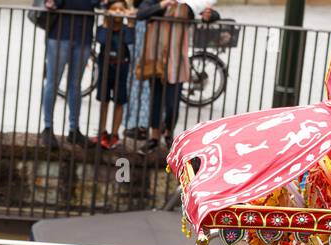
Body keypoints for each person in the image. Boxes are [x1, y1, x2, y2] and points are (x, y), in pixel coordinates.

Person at [135, 0, 218, 154]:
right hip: (156, 57)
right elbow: (141, 13)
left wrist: (210, 15)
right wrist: (162, 5)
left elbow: (211, 14)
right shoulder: (156, 2)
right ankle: (154, 137)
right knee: (156, 99)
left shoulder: (188, 6)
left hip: (176, 59)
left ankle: (168, 133)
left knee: (172, 103)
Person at [40, 0, 98, 149]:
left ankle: (74, 129)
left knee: (75, 85)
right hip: (60, 33)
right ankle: (48, 127)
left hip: (83, 34)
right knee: (53, 82)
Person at [94, 0, 135, 149]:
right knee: (104, 100)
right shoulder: (103, 28)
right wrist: (106, 20)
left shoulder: (126, 29)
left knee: (119, 101)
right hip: (105, 67)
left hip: (121, 67)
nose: (117, 11)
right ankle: (102, 131)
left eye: (120, 9)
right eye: (114, 9)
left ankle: (115, 134)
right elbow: (101, 40)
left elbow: (130, 40)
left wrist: (130, 21)